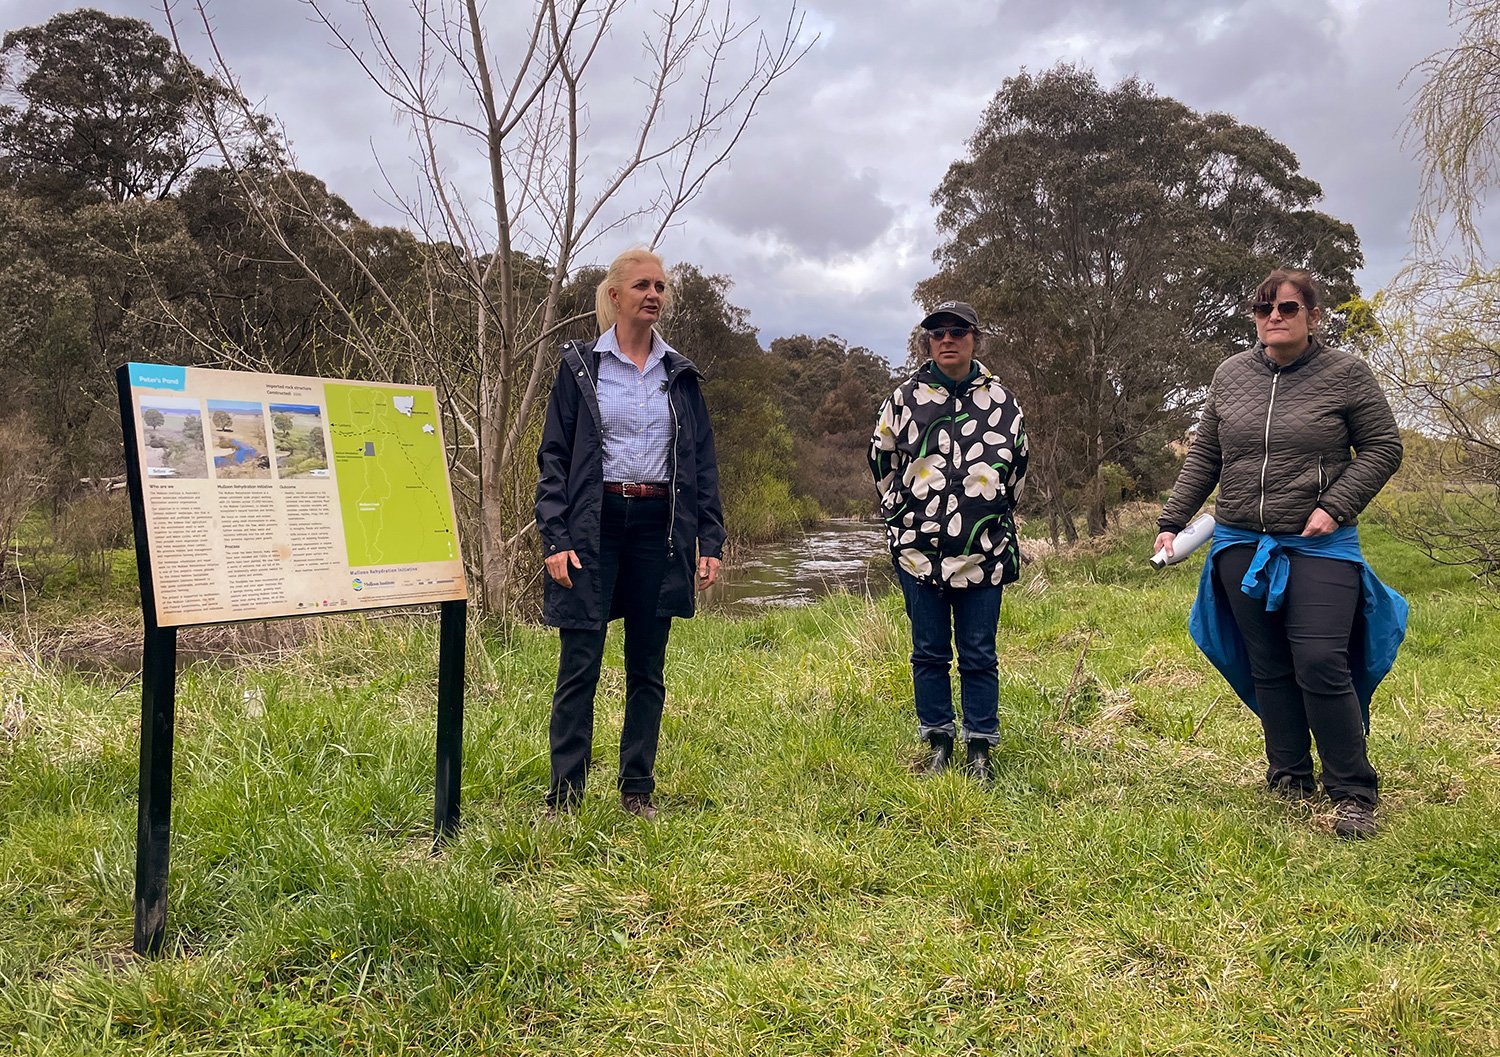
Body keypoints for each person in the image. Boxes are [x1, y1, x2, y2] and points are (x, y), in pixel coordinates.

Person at [1156, 268, 1406, 839]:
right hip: (1240, 542)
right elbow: (1206, 457)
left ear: (1313, 316)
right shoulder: (1230, 374)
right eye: (1264, 307)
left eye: (1288, 308)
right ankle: (1289, 777)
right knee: (1269, 667)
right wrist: (1172, 521)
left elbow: (1382, 446)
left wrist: (1336, 504)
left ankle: (1352, 792)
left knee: (1320, 661)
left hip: (1321, 544)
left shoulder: (1346, 374)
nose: (1275, 316)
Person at [535, 247, 724, 820]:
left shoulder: (679, 374)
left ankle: (636, 790)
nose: (654, 294)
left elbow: (702, 461)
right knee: (580, 662)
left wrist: (709, 540)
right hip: (595, 527)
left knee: (647, 665)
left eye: (661, 286)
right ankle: (565, 797)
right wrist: (557, 536)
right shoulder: (579, 369)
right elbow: (554, 459)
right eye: (643, 284)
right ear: (614, 295)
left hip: (659, 529)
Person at [869, 301, 1028, 782]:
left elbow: (1017, 471)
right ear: (927, 341)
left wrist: (990, 514)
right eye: (936, 332)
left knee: (979, 651)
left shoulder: (1003, 402)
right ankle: (937, 740)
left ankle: (980, 746)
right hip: (918, 552)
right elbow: (881, 460)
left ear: (974, 337)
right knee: (929, 651)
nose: (946, 339)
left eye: (957, 331)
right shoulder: (903, 399)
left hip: (984, 550)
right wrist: (900, 515)